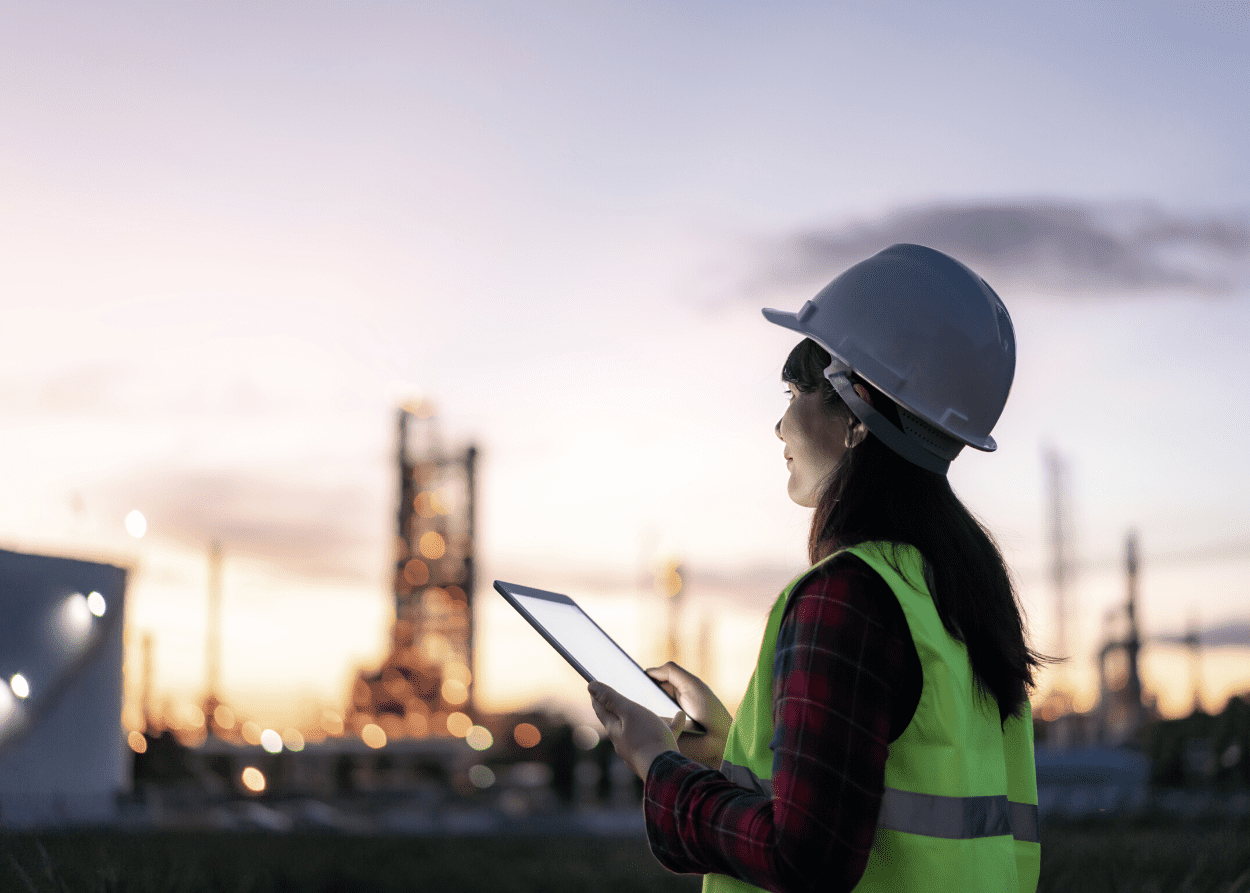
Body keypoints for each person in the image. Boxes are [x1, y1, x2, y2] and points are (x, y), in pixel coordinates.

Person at [589, 244, 1046, 893]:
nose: (780, 424)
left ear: (856, 407)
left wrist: (653, 757)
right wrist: (723, 748)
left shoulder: (847, 596)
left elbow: (807, 855)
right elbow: (879, 800)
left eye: (797, 390)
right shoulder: (954, 591)